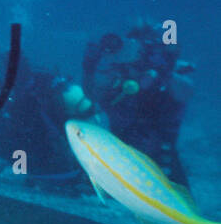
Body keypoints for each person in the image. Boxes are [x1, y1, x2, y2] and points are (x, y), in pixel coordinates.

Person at [82, 21, 193, 188]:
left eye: (138, 47)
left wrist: (162, 72)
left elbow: (186, 92)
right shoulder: (119, 73)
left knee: (171, 189)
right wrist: (89, 67)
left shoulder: (165, 75)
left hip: (158, 149)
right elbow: (92, 96)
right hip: (123, 146)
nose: (129, 51)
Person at [0, 55, 101, 190]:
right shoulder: (39, 83)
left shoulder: (27, 97)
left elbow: (25, 138)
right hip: (65, 149)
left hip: (55, 156)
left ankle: (23, 174)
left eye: (1, 72)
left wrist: (18, 170)